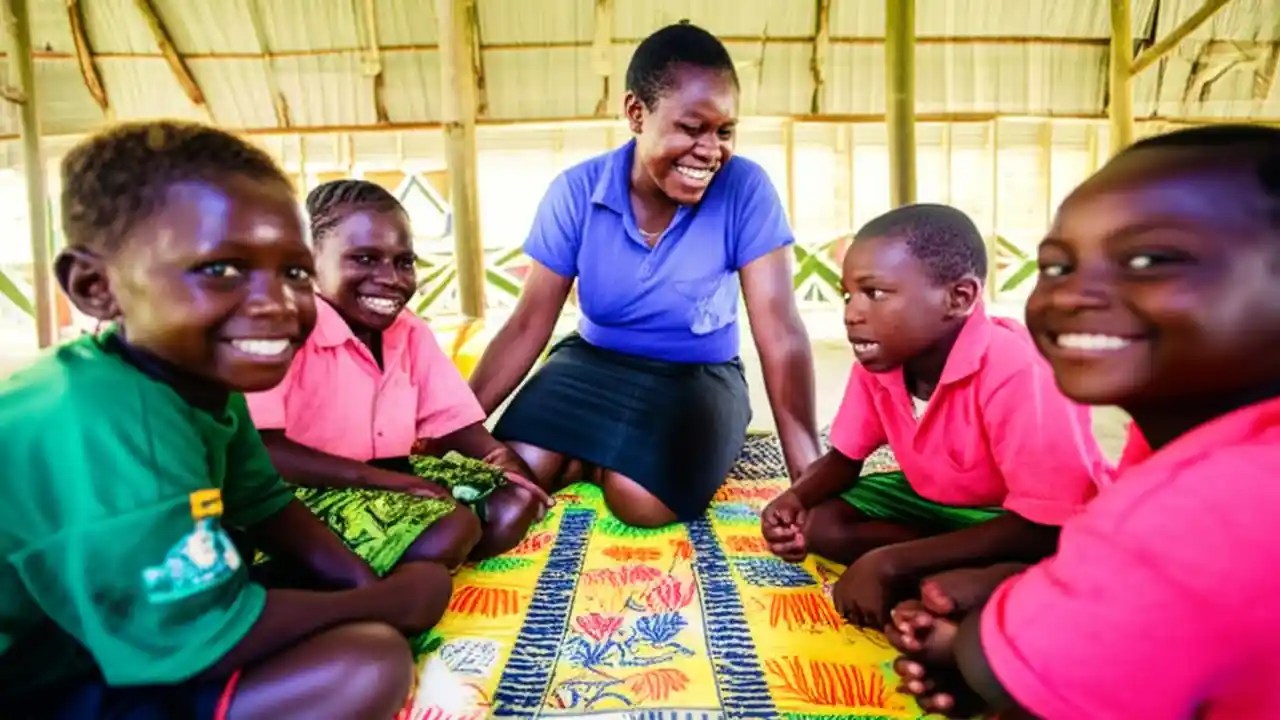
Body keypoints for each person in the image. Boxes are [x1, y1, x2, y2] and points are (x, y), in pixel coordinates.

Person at [0, 121, 452, 719]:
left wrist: (365, 588)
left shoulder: (200, 379)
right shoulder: (107, 421)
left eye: (293, 272)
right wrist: (390, 604)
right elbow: (207, 635)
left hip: (89, 634)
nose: (276, 304)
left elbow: (266, 504)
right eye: (221, 269)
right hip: (31, 675)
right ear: (96, 286)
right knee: (366, 665)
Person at [888, 125, 1280, 719]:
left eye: (1151, 260)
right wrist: (1013, 583)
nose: (1074, 294)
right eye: (1056, 266)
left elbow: (1003, 670)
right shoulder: (1180, 443)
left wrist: (967, 642)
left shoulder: (1205, 505)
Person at [467, 22, 821, 528]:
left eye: (724, 131)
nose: (710, 151)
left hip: (699, 375)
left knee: (641, 502)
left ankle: (595, 459)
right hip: (590, 365)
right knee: (516, 475)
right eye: (692, 127)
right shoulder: (577, 192)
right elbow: (527, 325)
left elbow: (781, 334)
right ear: (636, 113)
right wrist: (456, 426)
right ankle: (593, 456)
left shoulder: (746, 189)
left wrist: (808, 481)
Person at [760, 203, 1111, 628]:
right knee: (820, 525)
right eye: (848, 294)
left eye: (874, 293)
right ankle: (956, 572)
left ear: (958, 298)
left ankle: (973, 577)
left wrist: (888, 562)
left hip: (1018, 518)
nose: (852, 313)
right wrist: (794, 499)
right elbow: (845, 459)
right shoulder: (881, 363)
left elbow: (1043, 522)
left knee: (1059, 552)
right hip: (938, 504)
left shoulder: (1018, 370)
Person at [246, 180, 553, 564]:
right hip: (297, 490)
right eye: (365, 258)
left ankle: (384, 567)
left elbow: (452, 422)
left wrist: (498, 457)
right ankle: (343, 575)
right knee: (448, 530)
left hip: (387, 476)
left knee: (514, 503)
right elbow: (260, 450)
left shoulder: (409, 331)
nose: (391, 278)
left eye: (404, 262)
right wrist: (393, 484)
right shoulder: (279, 330)